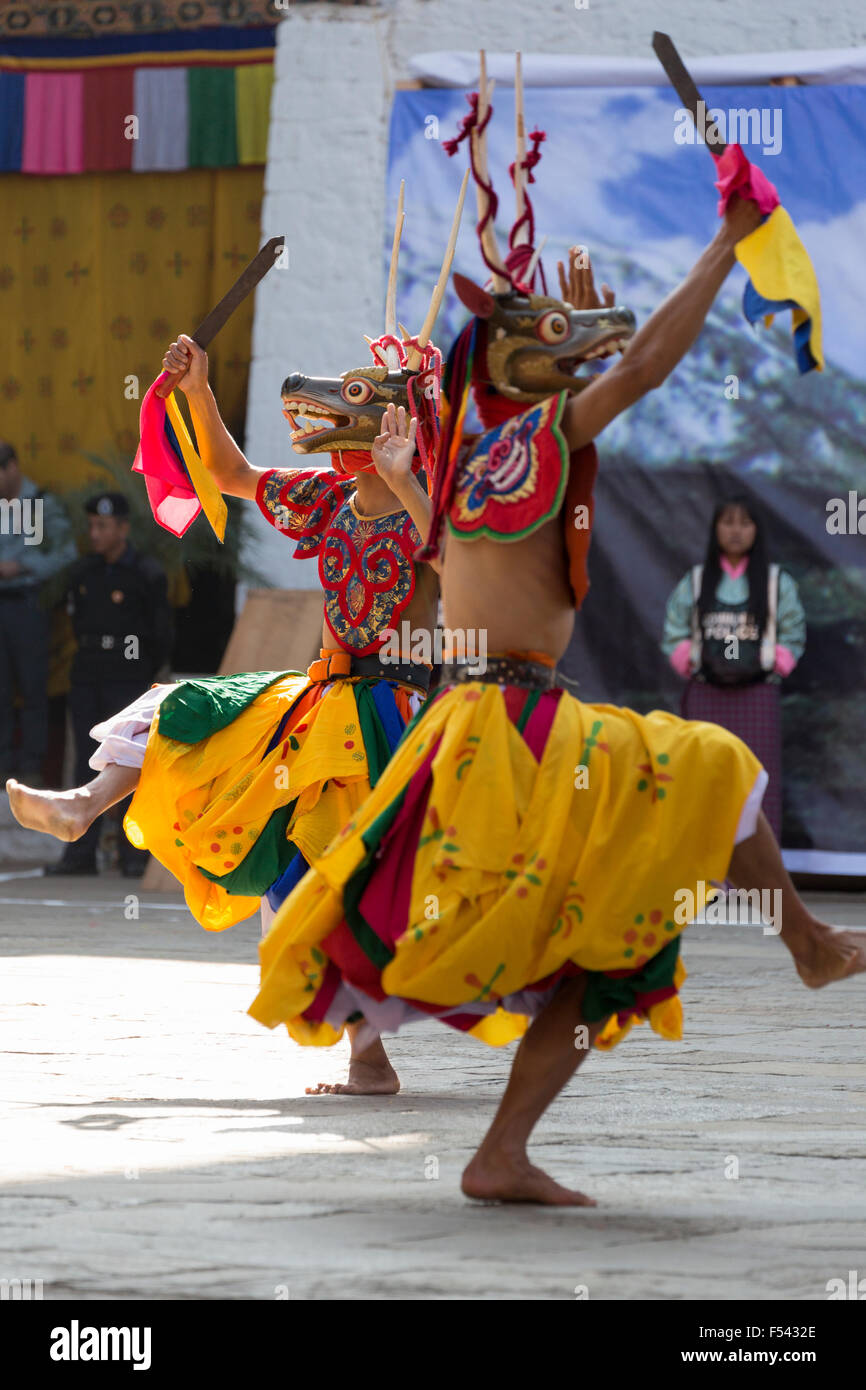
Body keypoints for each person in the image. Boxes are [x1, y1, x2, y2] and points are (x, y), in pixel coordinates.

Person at [248, 66, 866, 1205]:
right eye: (548, 339)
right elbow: (636, 365)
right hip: (516, 726)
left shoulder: (468, 459)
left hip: (472, 727)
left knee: (606, 921)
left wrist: (559, 325)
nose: (573, 344)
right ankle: (806, 943)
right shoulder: (529, 439)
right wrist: (726, 240)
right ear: (512, 369)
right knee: (712, 778)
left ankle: (499, 1148)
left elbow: (571, 364)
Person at [7, 186, 465, 1094]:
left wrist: (411, 481)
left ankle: (370, 1059)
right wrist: (199, 386)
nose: (330, 404)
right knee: (182, 706)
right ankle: (85, 805)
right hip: (320, 696)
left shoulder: (429, 503)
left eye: (357, 398)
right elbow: (227, 472)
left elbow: (451, 562)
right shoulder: (326, 498)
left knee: (336, 875)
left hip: (392, 709)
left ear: (400, 422)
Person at [662, 496, 806, 840]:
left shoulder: (775, 582)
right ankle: (708, 875)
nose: (736, 531)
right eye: (728, 522)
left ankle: (755, 881)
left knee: (758, 783)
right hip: (706, 693)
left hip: (757, 695)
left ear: (757, 529)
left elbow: (793, 632)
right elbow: (674, 631)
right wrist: (693, 663)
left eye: (745, 523)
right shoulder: (696, 581)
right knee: (703, 777)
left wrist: (772, 665)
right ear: (715, 530)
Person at [48, 492, 172, 877]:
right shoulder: (83, 572)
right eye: (91, 526)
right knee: (86, 759)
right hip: (89, 673)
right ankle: (79, 855)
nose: (95, 533)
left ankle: (131, 856)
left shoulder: (147, 573)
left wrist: (149, 674)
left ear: (122, 528)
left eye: (103, 526)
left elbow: (161, 632)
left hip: (128, 676)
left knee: (126, 758)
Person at [0, 441, 75, 785]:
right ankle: (3, 766)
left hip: (28, 604)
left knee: (32, 689)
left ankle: (31, 768)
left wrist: (22, 566)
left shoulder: (37, 504)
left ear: (11, 468)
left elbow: (65, 554)